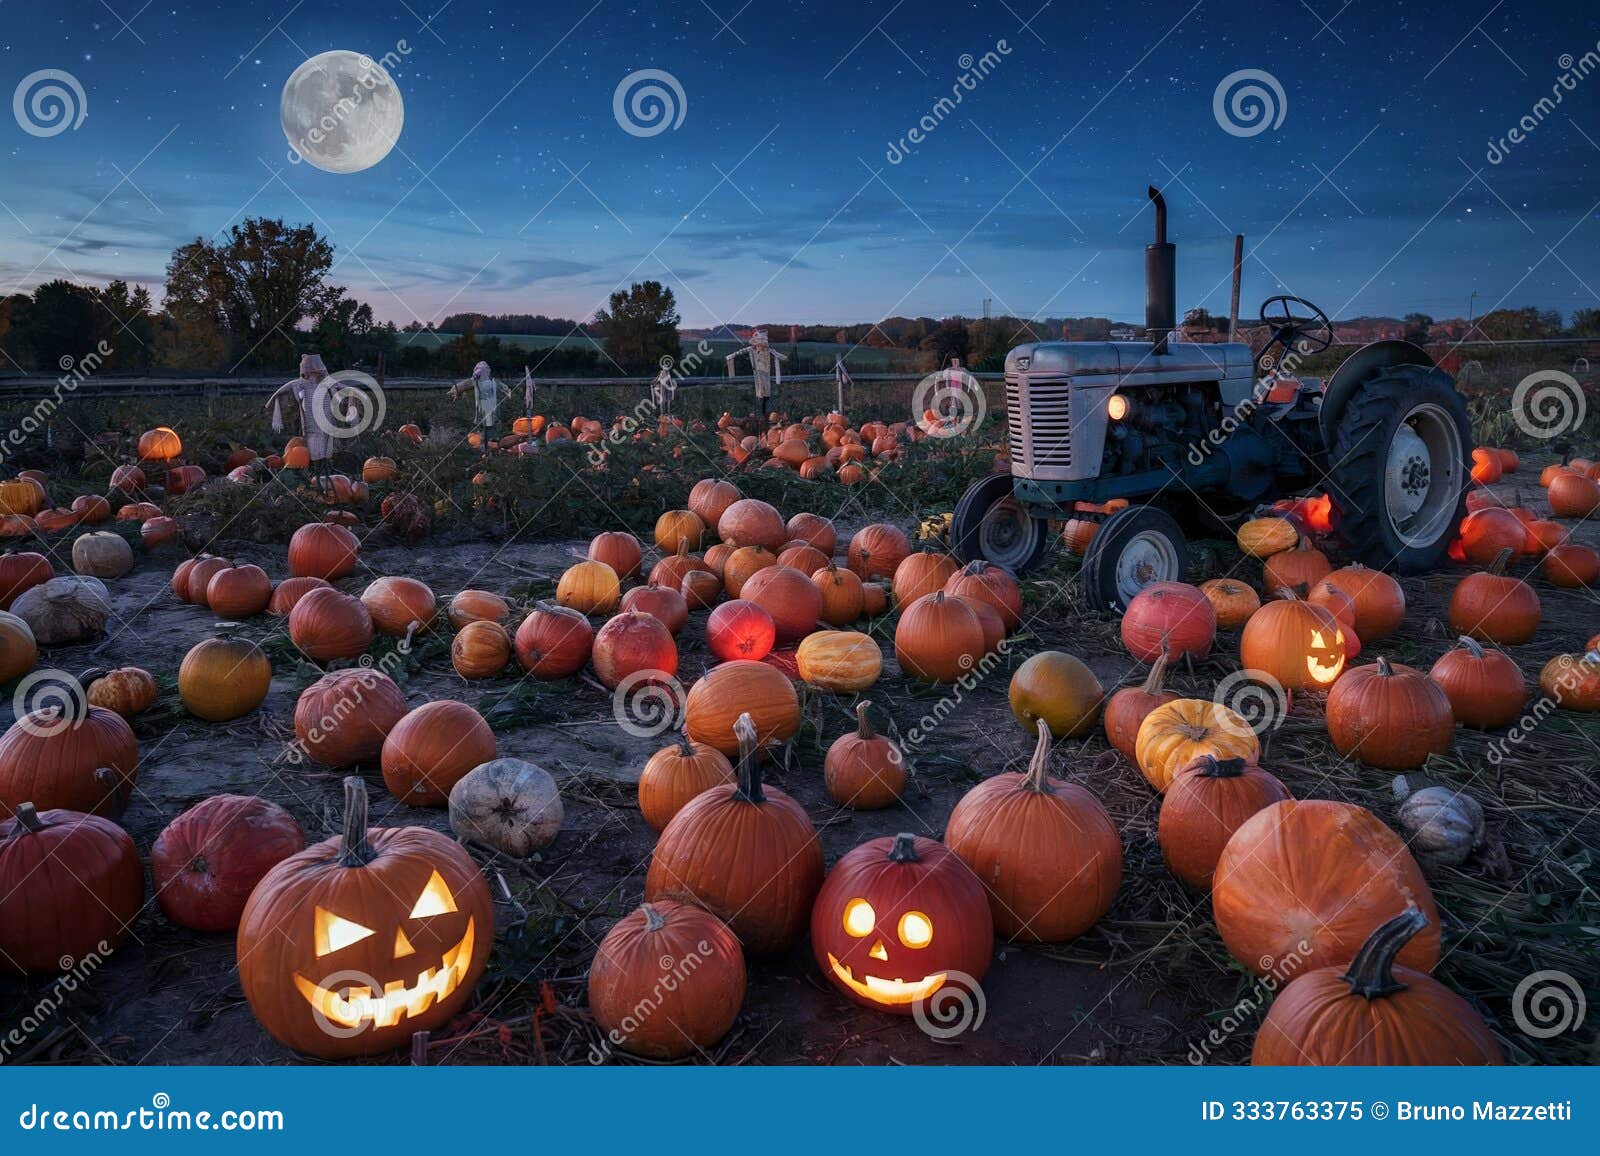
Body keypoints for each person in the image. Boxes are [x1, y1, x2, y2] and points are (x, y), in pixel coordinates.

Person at [265, 353, 346, 464]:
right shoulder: (300, 384)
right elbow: (284, 389)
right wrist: (276, 398)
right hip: (309, 420)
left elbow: (342, 388)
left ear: (319, 371)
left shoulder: (327, 383)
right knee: (311, 439)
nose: (308, 376)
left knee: (325, 439)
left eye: (311, 372)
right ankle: (313, 463)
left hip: (325, 417)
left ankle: (324, 463)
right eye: (305, 373)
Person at [451, 360, 503, 440]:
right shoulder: (474, 383)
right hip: (480, 416)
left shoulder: (491, 384)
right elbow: (457, 389)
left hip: (489, 417)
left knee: (489, 434)